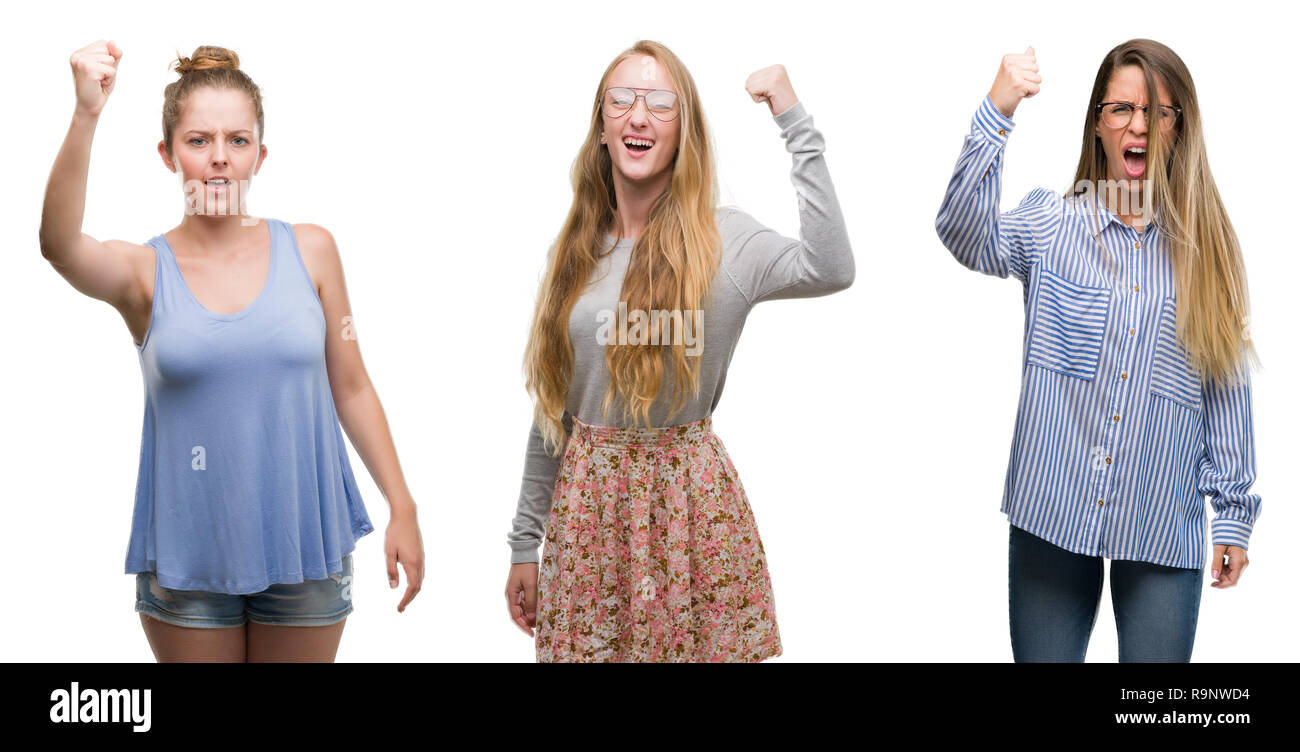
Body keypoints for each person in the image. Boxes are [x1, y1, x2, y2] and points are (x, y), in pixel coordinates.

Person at [39, 41, 425, 662]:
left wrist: (402, 505)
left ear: (259, 156)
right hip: (190, 562)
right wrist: (87, 116)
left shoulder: (313, 251)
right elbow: (58, 245)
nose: (219, 159)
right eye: (198, 141)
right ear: (168, 155)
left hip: (305, 550)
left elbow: (351, 386)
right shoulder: (143, 272)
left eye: (238, 141)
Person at [503, 40, 854, 662]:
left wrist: (792, 118)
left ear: (682, 131)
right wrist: (524, 543)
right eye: (624, 100)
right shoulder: (576, 251)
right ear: (603, 128)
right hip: (590, 521)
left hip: (691, 514)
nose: (640, 116)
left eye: (661, 103)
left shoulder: (726, 241)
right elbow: (552, 411)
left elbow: (830, 266)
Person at [935, 40, 1260, 662]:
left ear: (1177, 129)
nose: (1138, 125)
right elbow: (962, 231)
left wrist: (1234, 513)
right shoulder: (1050, 225)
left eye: (1159, 113)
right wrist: (997, 111)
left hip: (1161, 522)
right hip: (1051, 510)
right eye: (1122, 110)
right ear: (1098, 123)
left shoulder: (1207, 253)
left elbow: (1226, 387)